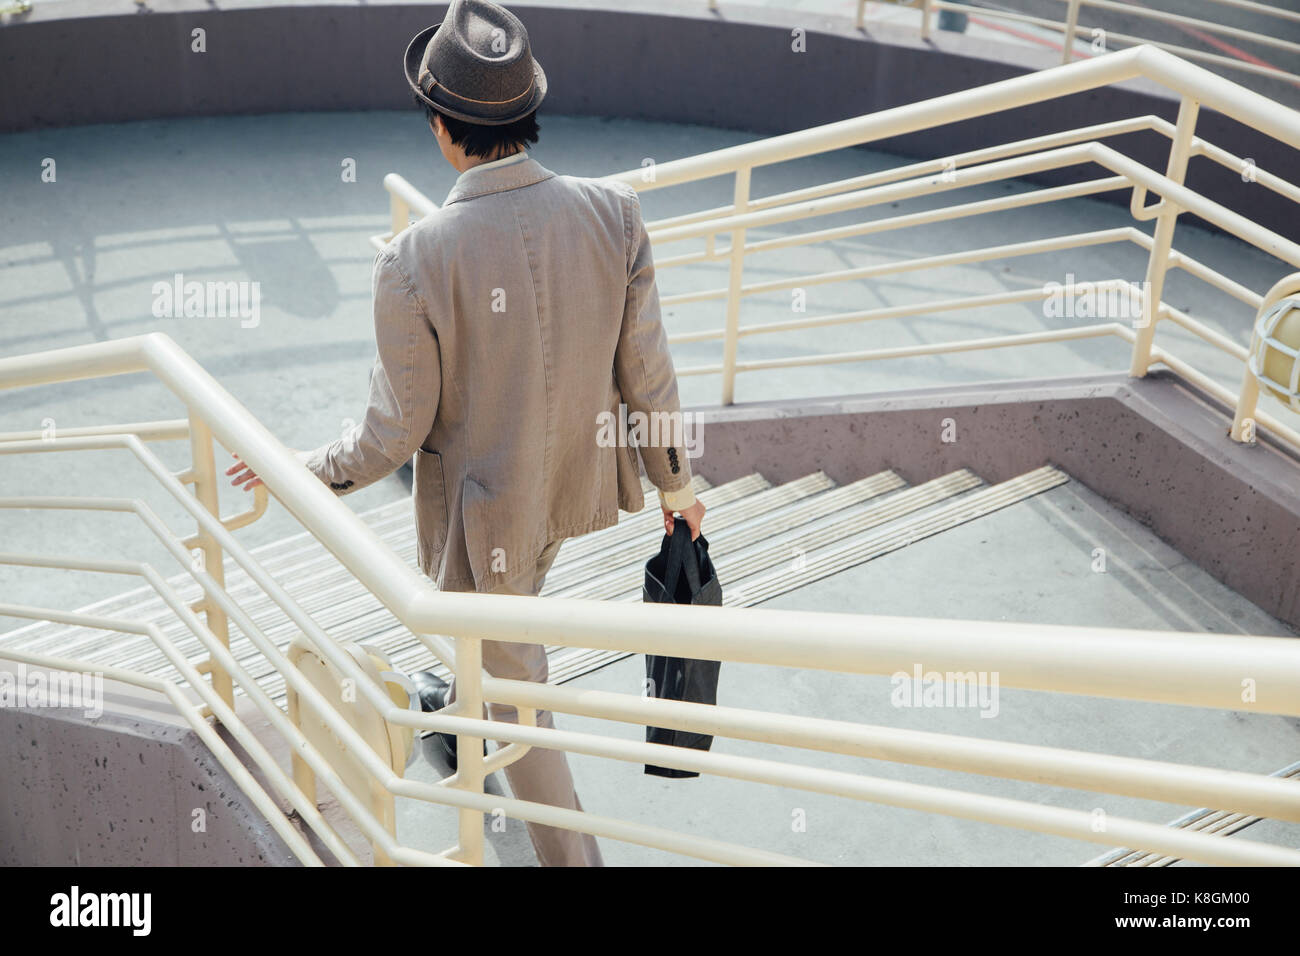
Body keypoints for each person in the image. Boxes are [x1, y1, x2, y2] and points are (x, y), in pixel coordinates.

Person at [227, 0, 704, 867]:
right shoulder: (615, 215)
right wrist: (677, 485)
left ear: (444, 130)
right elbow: (649, 374)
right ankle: (461, 702)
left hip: (490, 517)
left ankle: (573, 858)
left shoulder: (414, 258)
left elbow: (393, 432)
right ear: (529, 113)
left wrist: (305, 471)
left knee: (519, 700)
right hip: (574, 485)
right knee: (501, 653)